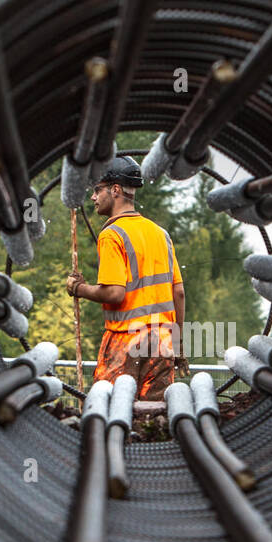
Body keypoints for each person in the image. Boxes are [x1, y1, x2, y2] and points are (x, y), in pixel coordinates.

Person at [66, 157, 188, 400]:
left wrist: (78, 288)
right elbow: (179, 293)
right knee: (152, 418)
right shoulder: (161, 234)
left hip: (125, 341)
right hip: (163, 342)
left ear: (115, 190)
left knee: (111, 409)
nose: (93, 197)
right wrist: (179, 344)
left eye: (97, 190)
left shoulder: (112, 234)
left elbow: (114, 293)